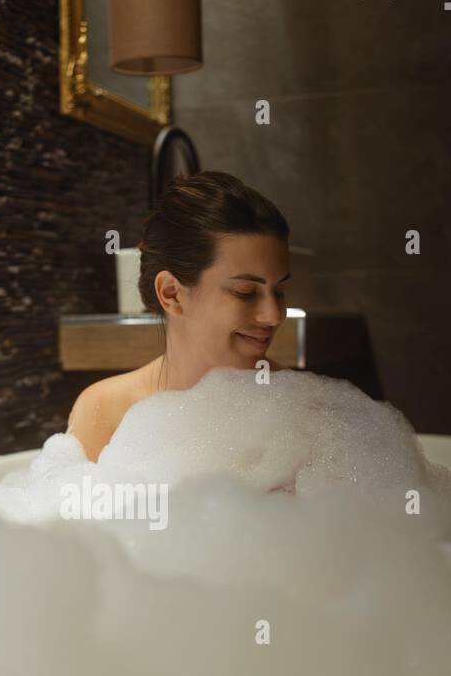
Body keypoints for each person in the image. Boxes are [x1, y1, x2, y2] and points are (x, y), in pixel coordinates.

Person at [68, 171, 292, 462]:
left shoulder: (301, 410)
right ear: (172, 293)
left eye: (280, 291)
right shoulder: (104, 411)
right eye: (246, 292)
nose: (273, 315)